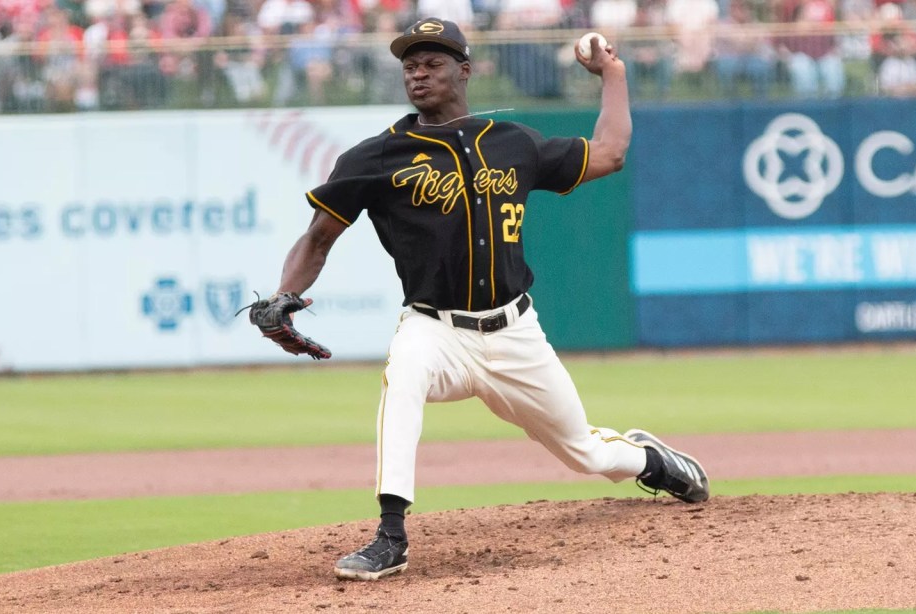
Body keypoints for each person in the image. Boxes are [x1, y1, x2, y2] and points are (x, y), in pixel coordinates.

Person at [260, 17, 710, 582]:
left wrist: (613, 73)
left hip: (516, 334)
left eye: (433, 62)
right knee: (402, 381)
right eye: (410, 65)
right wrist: (283, 296)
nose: (418, 73)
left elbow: (610, 154)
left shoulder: (513, 143)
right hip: (435, 329)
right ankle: (390, 536)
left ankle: (652, 460)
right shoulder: (376, 158)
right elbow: (317, 238)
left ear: (465, 71)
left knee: (585, 452)